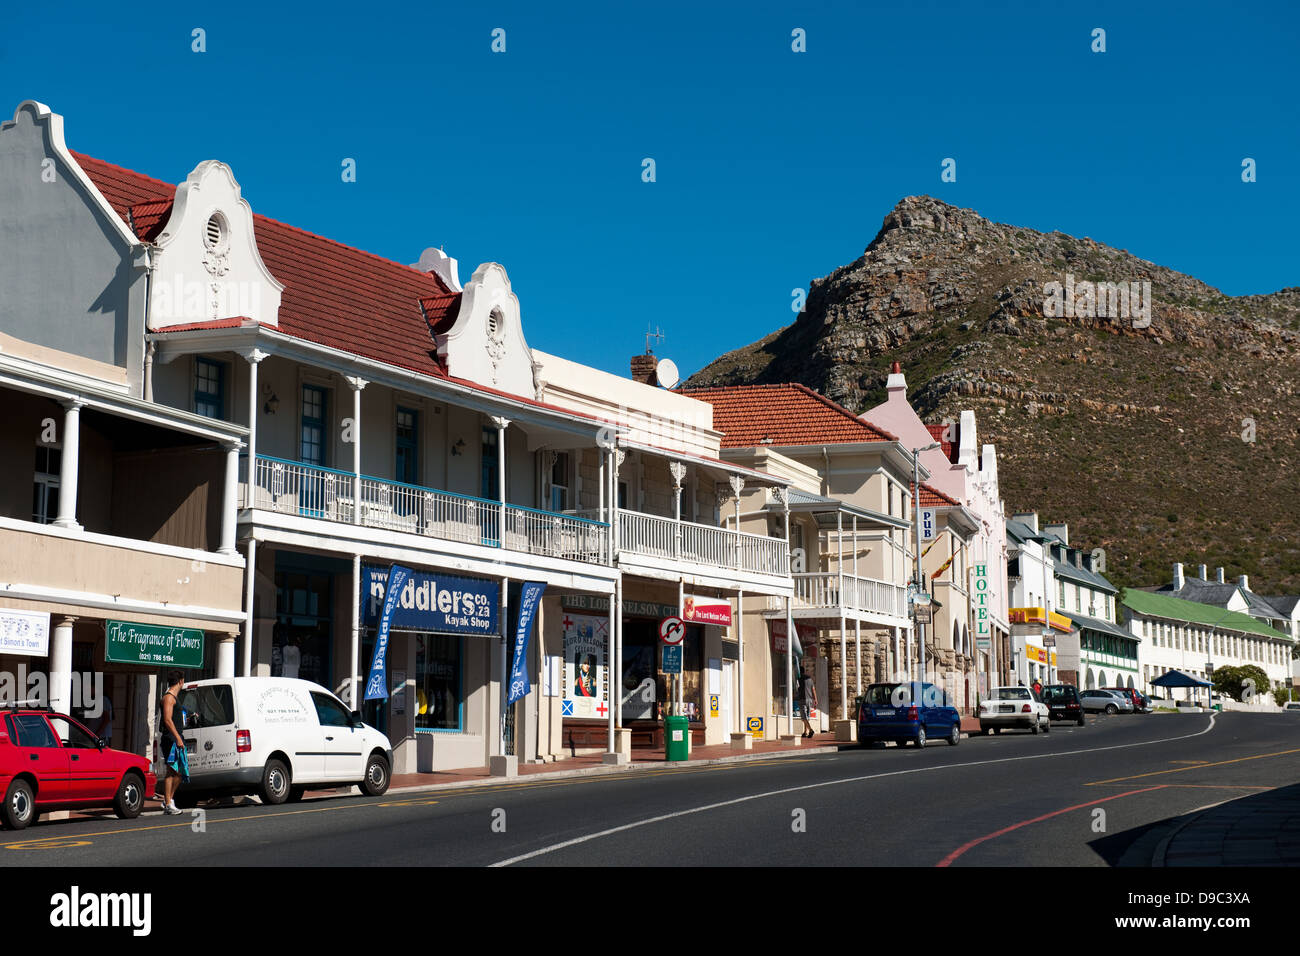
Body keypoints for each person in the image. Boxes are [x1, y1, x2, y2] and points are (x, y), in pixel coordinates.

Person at [159, 670, 188, 815]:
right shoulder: (169, 698)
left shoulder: (175, 697)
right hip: (171, 739)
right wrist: (177, 738)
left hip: (176, 737)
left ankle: (168, 800)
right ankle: (168, 803)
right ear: (181, 681)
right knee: (173, 771)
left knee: (179, 772)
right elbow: (167, 720)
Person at [799, 667, 818, 738]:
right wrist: (815, 699)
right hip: (810, 700)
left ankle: (810, 730)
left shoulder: (799, 678)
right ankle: (805, 732)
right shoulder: (809, 679)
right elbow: (813, 689)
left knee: (804, 717)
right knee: (807, 717)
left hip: (802, 699)